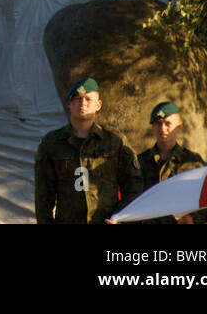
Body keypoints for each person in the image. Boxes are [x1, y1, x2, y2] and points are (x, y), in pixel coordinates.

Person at [34, 76, 144, 223]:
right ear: (69, 103)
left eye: (88, 99)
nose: (83, 103)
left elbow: (134, 186)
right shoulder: (52, 143)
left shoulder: (115, 142)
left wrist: (120, 218)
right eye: (77, 99)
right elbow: (43, 195)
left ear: (98, 105)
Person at [137, 101, 207, 225]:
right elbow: (129, 200)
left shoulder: (193, 163)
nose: (162, 129)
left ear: (179, 126)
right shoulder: (140, 162)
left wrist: (193, 218)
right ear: (152, 126)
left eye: (168, 124)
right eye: (157, 123)